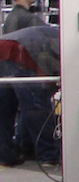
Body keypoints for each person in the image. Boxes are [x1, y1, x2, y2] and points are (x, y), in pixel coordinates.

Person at [0, 21, 58, 170]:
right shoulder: (67, 41)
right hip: (20, 52)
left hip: (4, 48)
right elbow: (53, 65)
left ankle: (6, 155)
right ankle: (48, 155)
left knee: (5, 109)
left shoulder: (54, 33)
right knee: (37, 106)